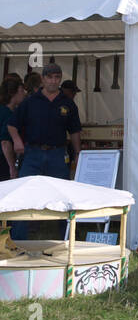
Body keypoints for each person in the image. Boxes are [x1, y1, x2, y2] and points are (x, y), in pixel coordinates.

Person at [8, 65, 82, 240]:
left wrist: (79, 154)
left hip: (58, 154)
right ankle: (18, 239)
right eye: (50, 77)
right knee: (24, 195)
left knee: (63, 196)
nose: (53, 81)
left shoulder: (67, 103)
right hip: (33, 153)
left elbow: (75, 131)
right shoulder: (30, 101)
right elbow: (12, 125)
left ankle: (66, 239)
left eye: (57, 77)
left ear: (60, 79)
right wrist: (17, 141)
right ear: (42, 79)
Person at [0, 77, 26, 181]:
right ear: (12, 93)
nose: (24, 93)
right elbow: (5, 142)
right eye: (21, 91)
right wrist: (12, 167)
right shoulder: (9, 115)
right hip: (3, 161)